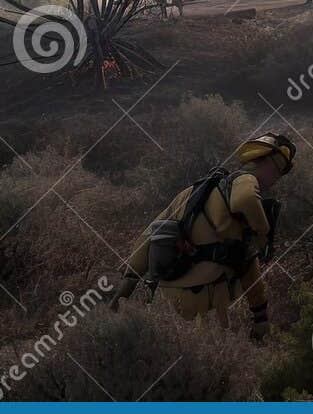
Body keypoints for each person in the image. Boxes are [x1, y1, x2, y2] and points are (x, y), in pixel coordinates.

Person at [111, 134, 295, 340]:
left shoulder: (192, 193)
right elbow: (246, 201)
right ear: (268, 164)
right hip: (207, 302)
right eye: (278, 172)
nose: (276, 180)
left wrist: (122, 294)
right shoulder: (245, 180)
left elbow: (148, 237)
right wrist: (263, 233)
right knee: (208, 352)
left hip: (165, 300)